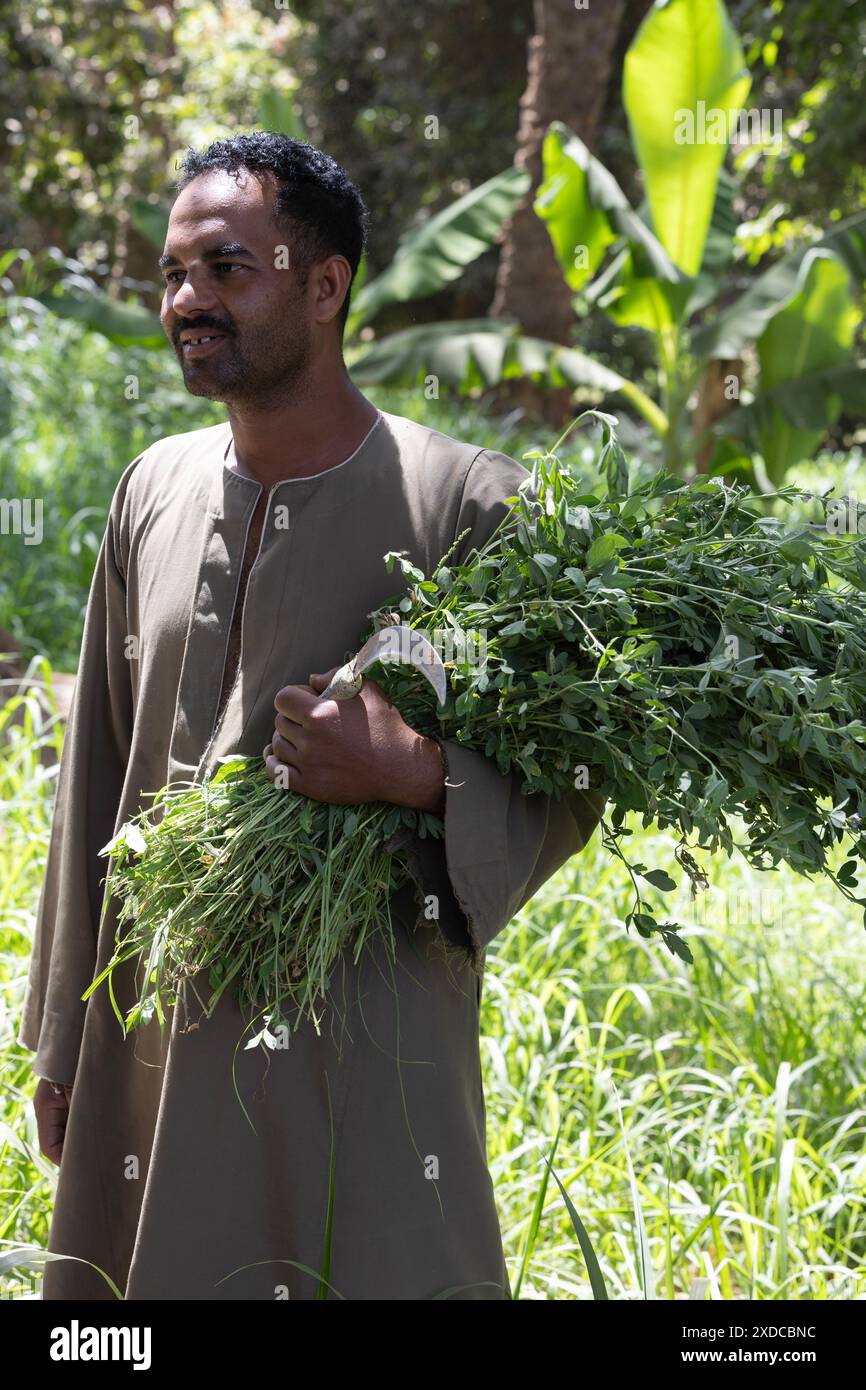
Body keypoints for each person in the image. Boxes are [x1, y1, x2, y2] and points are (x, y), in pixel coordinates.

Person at [19, 132, 603, 1300]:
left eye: (227, 269)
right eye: (176, 274)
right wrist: (60, 1030)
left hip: (360, 1030)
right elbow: (96, 775)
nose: (188, 300)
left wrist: (418, 776)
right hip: (148, 1033)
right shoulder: (152, 490)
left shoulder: (470, 505)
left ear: (323, 284)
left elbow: (573, 772)